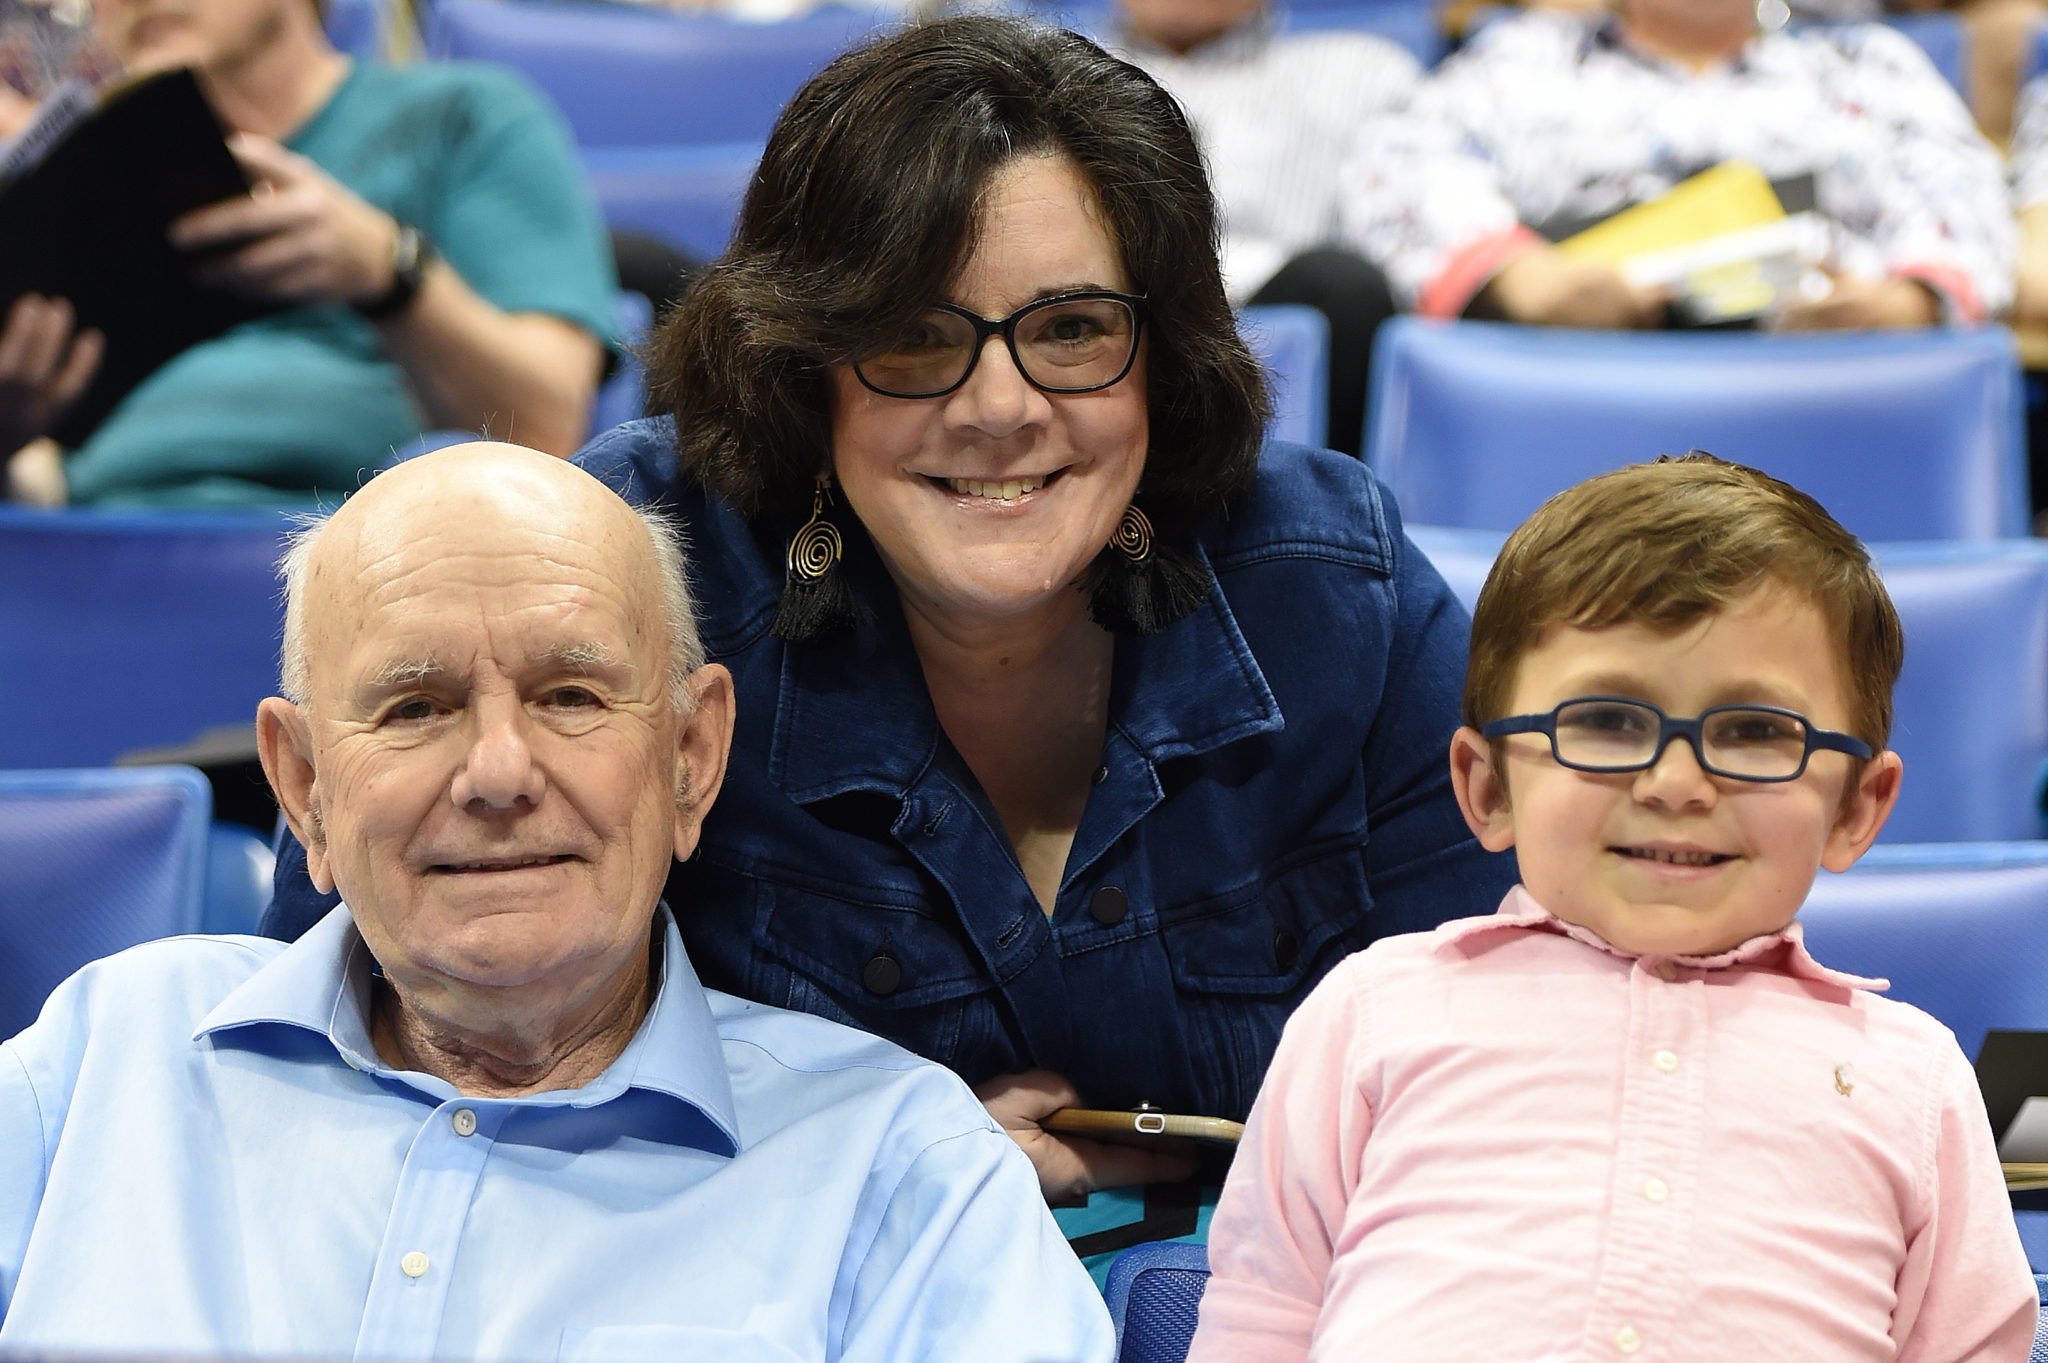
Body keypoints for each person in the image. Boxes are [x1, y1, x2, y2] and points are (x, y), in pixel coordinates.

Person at [264, 15, 1514, 1211]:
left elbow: (1510, 1066)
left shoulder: (1329, 587)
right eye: (914, 338)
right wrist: (885, 1156)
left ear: (1162, 353)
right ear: (800, 363)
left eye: (1072, 329)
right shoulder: (613, 576)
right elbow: (357, 1057)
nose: (998, 405)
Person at [0, 441, 1114, 1361]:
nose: (496, 772)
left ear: (690, 757)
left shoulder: (900, 1173)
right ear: (303, 789)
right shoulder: (94, 1063)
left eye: (569, 695)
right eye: (414, 706)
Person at [1187, 455, 2037, 1361]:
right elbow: (1261, 1318)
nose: (1676, 783)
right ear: (1487, 786)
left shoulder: (1914, 1078)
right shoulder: (1369, 1012)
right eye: (1606, 722)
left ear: (1858, 806)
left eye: (1754, 732)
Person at [0, 0, 615, 507]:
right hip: (84, 534)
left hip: (363, 548)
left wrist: (386, 271)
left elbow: (546, 426)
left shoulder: (464, 115)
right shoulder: (81, 190)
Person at [1341, 0, 2013, 330]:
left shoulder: (1866, 62)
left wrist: (1907, 302)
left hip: (1820, 366)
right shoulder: (1520, 60)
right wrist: (1521, 278)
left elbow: (1963, 192)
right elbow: (1398, 166)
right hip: (1585, 361)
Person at [1104, 0, 1417, 456]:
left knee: (1346, 287)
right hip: (1110, 301)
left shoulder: (1367, 72)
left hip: (1273, 309)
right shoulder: (1039, 63)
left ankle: (1321, 507)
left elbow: (1407, 245)